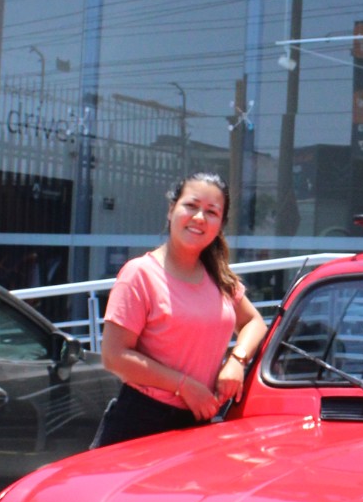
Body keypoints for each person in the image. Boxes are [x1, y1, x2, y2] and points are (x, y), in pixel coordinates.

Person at [93, 172, 267, 448]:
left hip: (196, 422)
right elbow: (114, 356)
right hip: (140, 424)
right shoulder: (140, 274)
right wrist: (184, 385)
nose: (199, 217)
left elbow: (254, 323)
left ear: (220, 224)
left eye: (211, 212)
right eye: (191, 206)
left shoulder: (219, 276)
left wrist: (237, 360)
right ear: (172, 209)